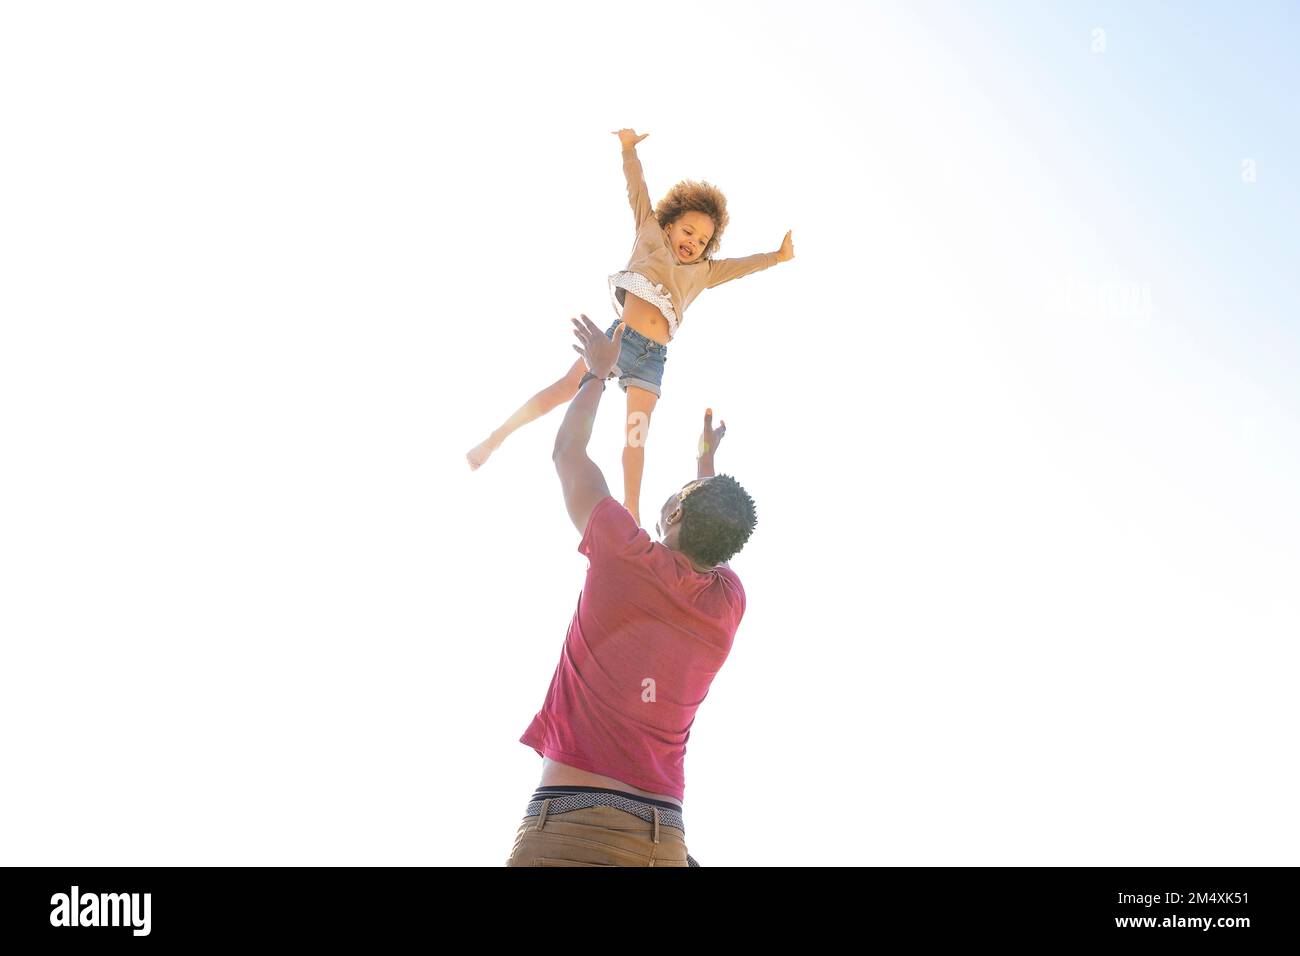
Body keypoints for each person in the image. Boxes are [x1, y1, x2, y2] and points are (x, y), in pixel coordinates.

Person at [504, 315, 758, 867]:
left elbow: (567, 454)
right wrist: (706, 466)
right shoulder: (728, 604)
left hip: (576, 820)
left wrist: (596, 374)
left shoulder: (624, 552)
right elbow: (719, 524)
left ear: (673, 512)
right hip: (664, 838)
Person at [467, 127, 792, 526]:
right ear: (671, 224)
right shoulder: (651, 231)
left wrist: (777, 256)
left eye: (703, 240)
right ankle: (496, 437)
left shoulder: (704, 272)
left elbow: (742, 267)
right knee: (564, 389)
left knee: (636, 438)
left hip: (652, 360)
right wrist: (627, 150)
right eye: (688, 231)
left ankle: (632, 517)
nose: (693, 242)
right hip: (618, 341)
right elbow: (636, 190)